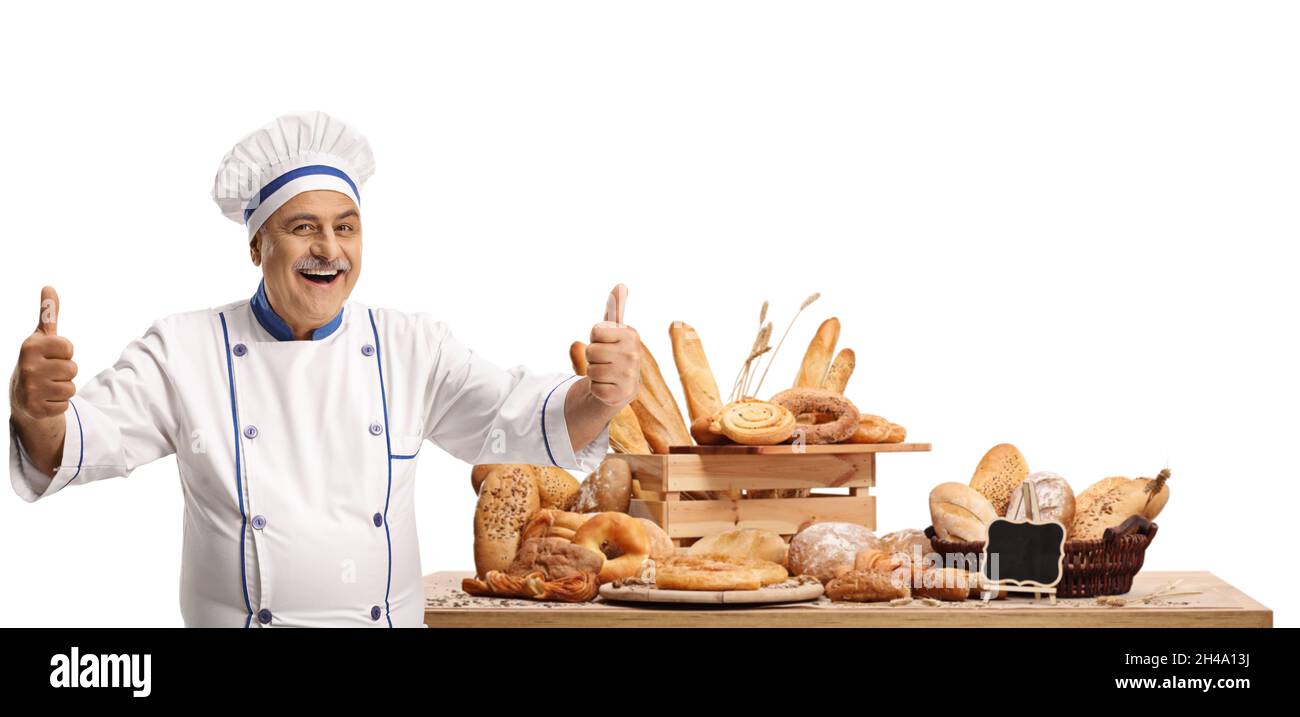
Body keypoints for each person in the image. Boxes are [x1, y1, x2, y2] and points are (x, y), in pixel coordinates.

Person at [8, 111, 640, 627]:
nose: (329, 250)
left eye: (346, 227)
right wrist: (37, 410)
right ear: (257, 245)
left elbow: (521, 417)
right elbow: (70, 448)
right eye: (303, 227)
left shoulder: (410, 346)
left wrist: (600, 395)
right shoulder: (184, 350)